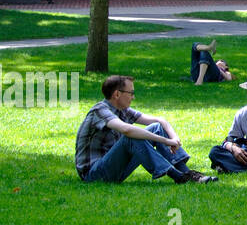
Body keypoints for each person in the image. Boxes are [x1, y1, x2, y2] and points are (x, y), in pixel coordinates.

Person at [75, 75, 217, 183]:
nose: (133, 97)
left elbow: (160, 121)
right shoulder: (100, 110)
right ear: (117, 94)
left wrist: (173, 138)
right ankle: (178, 176)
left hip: (115, 168)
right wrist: (164, 140)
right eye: (130, 93)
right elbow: (127, 130)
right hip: (93, 174)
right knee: (131, 136)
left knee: (155, 128)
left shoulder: (122, 110)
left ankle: (188, 174)